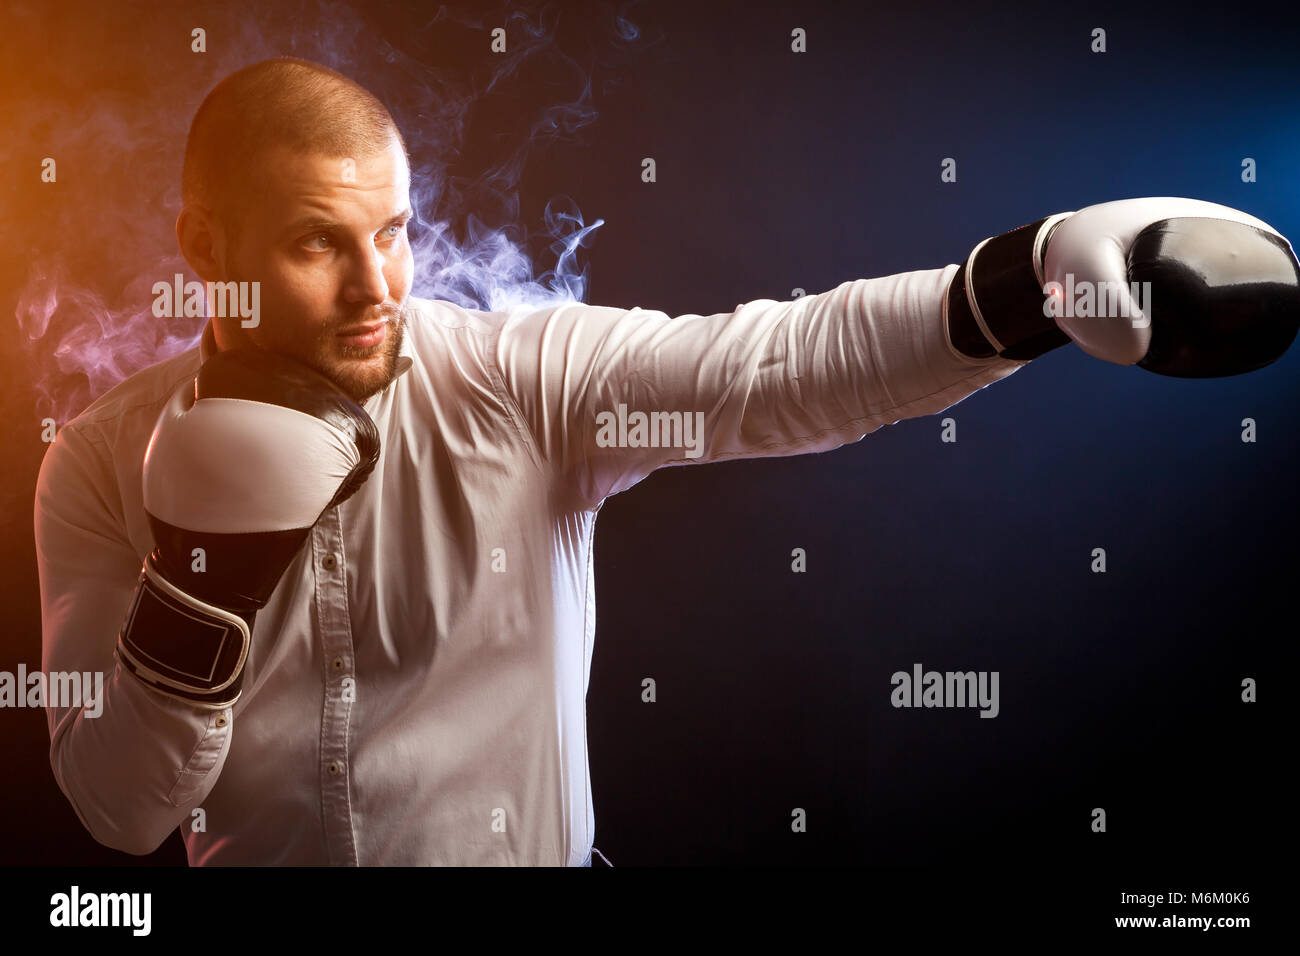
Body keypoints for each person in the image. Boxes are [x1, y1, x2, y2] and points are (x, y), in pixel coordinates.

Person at [33, 56, 1300, 866]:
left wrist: (1012, 286)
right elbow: (119, 808)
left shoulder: (512, 376)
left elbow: (772, 363)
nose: (377, 287)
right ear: (202, 243)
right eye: (319, 243)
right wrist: (196, 594)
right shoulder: (95, 466)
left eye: (395, 232)